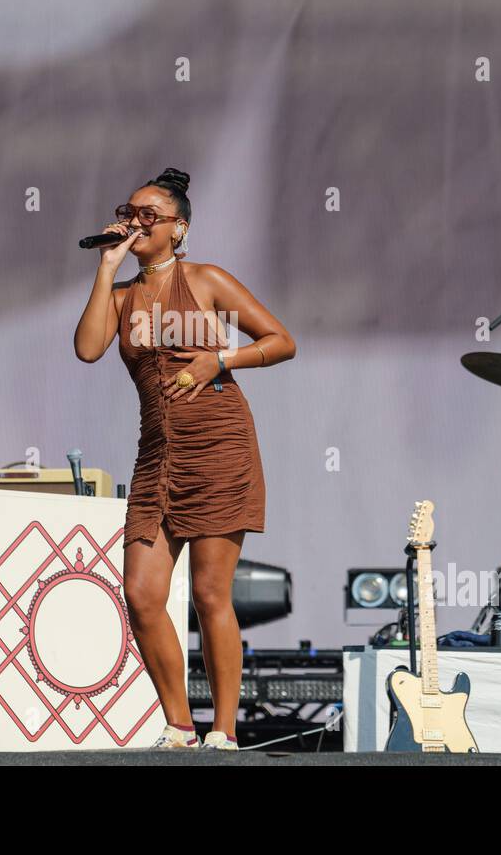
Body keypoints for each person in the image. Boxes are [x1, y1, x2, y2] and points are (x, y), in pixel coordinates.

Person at [74, 168, 295, 750]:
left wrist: (220, 359)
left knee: (210, 593)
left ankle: (224, 730)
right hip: (158, 452)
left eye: (149, 215)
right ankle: (179, 725)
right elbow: (88, 349)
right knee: (141, 593)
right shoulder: (119, 296)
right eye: (129, 212)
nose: (135, 222)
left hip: (219, 441)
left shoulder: (205, 280)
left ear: (179, 228)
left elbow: (280, 341)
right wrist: (106, 267)